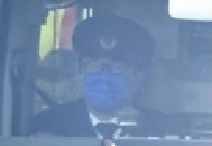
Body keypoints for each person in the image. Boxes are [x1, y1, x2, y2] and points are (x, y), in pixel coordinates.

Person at [27, 14, 175, 138]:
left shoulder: (163, 130)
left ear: (137, 78)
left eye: (117, 68)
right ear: (80, 73)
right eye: (94, 66)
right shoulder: (49, 125)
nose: (104, 76)